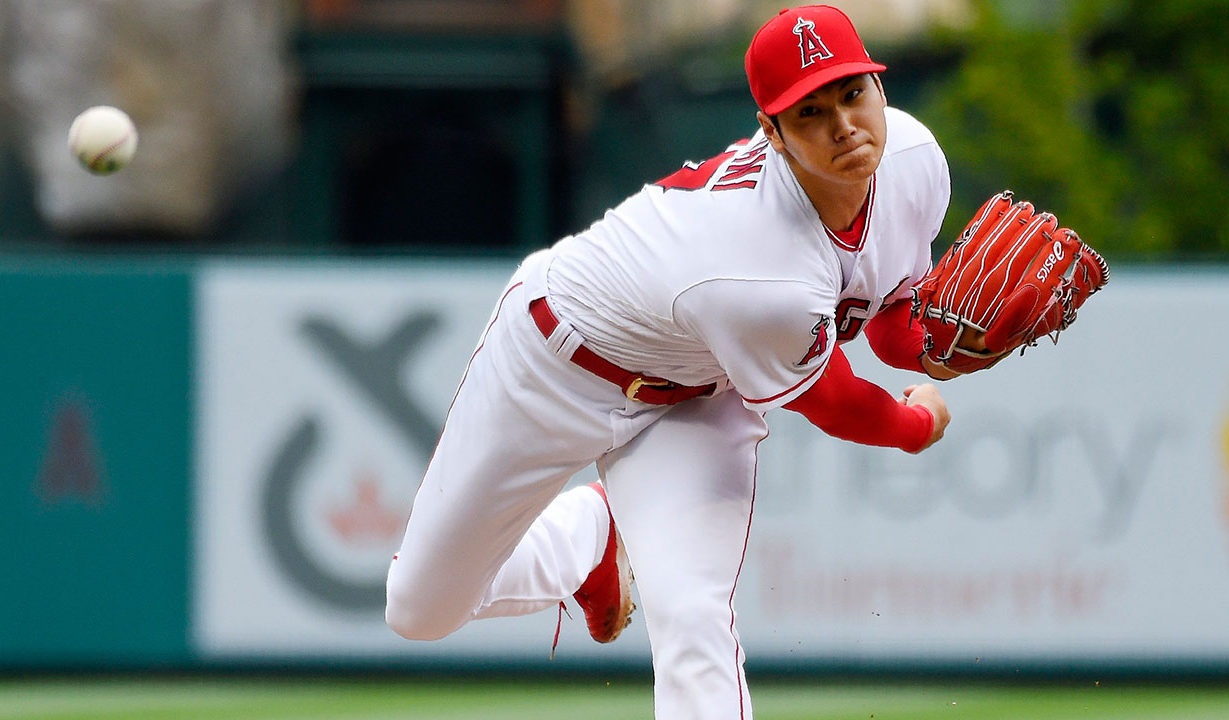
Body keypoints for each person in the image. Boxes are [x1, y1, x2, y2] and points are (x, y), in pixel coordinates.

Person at [386, 6, 960, 718]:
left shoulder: (912, 159)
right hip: (553, 364)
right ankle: (584, 540)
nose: (844, 125)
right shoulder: (758, 270)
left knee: (691, 617)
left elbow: (887, 318)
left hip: (694, 393)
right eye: (810, 112)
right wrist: (914, 423)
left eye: (852, 93)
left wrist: (943, 350)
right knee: (419, 610)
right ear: (772, 133)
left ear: (880, 88)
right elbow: (834, 402)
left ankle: (603, 545)